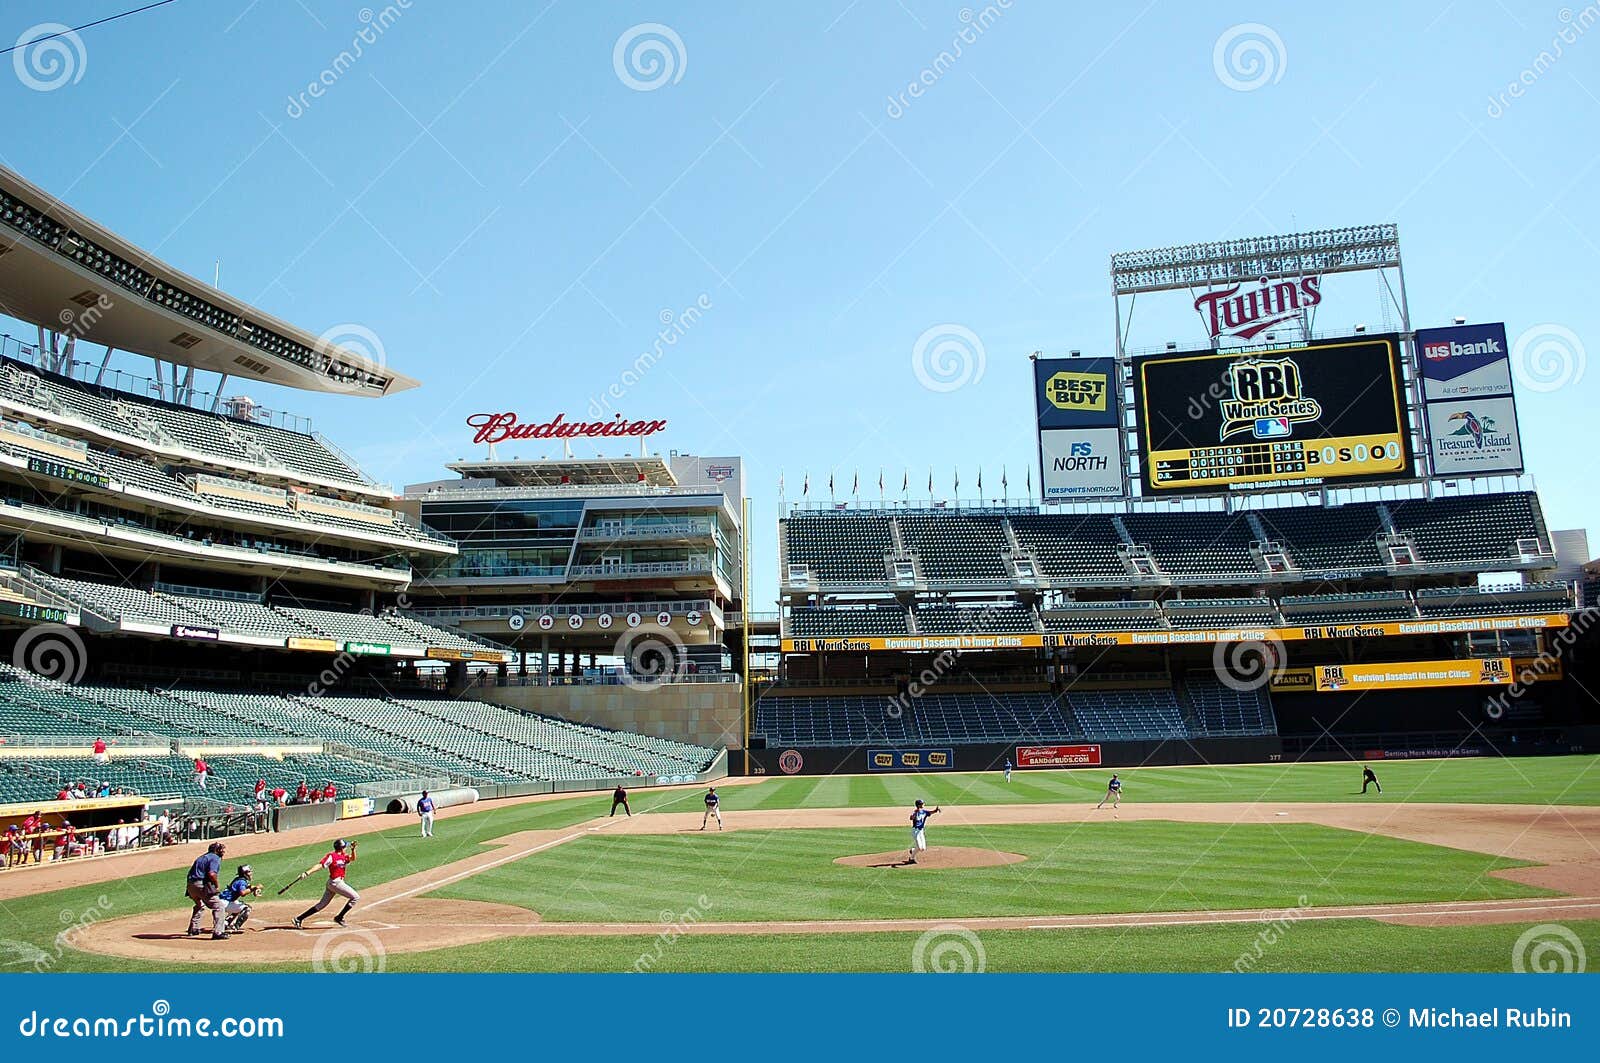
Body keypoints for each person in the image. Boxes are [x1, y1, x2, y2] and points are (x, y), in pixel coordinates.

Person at [292, 838, 359, 928]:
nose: (346, 848)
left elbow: (353, 858)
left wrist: (353, 849)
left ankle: (298, 919)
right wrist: (307, 873)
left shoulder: (344, 856)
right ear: (342, 848)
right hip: (335, 883)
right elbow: (320, 865)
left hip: (335, 883)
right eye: (345, 847)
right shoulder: (332, 856)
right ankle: (339, 917)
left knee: (321, 905)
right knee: (355, 897)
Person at [185, 841, 229, 939]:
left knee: (200, 904)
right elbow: (212, 874)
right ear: (216, 850)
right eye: (221, 850)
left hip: (191, 885)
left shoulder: (202, 857)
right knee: (219, 906)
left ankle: (193, 929)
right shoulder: (214, 858)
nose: (223, 852)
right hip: (201, 884)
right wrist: (216, 885)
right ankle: (218, 932)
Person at [220, 864, 261, 932]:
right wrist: (255, 888)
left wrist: (254, 889)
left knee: (238, 904)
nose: (251, 873)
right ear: (245, 873)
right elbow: (243, 893)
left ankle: (226, 923)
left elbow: (249, 886)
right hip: (225, 902)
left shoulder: (239, 879)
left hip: (223, 901)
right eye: (249, 872)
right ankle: (235, 927)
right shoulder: (242, 881)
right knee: (246, 908)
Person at [907, 799, 940, 864]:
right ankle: (911, 859)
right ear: (919, 805)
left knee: (923, 848)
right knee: (919, 847)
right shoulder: (915, 812)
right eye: (922, 804)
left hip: (921, 831)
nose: (924, 804)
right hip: (915, 831)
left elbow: (930, 812)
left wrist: (936, 811)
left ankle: (913, 850)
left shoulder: (924, 812)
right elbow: (911, 818)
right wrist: (915, 813)